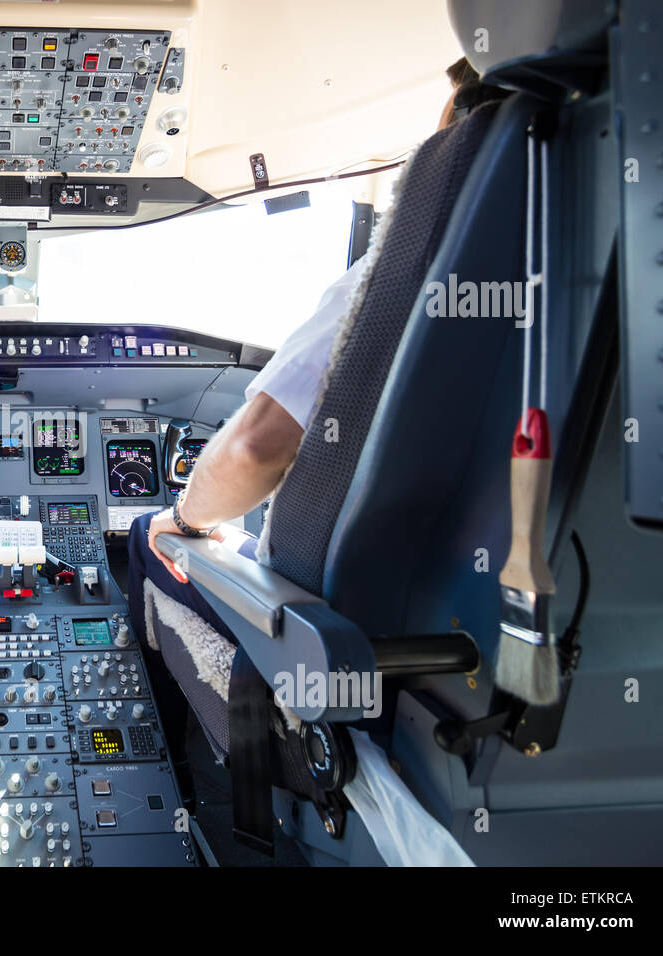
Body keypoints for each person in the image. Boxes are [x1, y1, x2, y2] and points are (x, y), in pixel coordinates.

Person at [126, 58, 485, 755]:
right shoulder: (586, 307)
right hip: (468, 649)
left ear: (448, 151)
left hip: (332, 639)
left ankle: (181, 765)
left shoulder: (388, 286)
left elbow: (253, 449)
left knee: (151, 536)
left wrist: (187, 518)